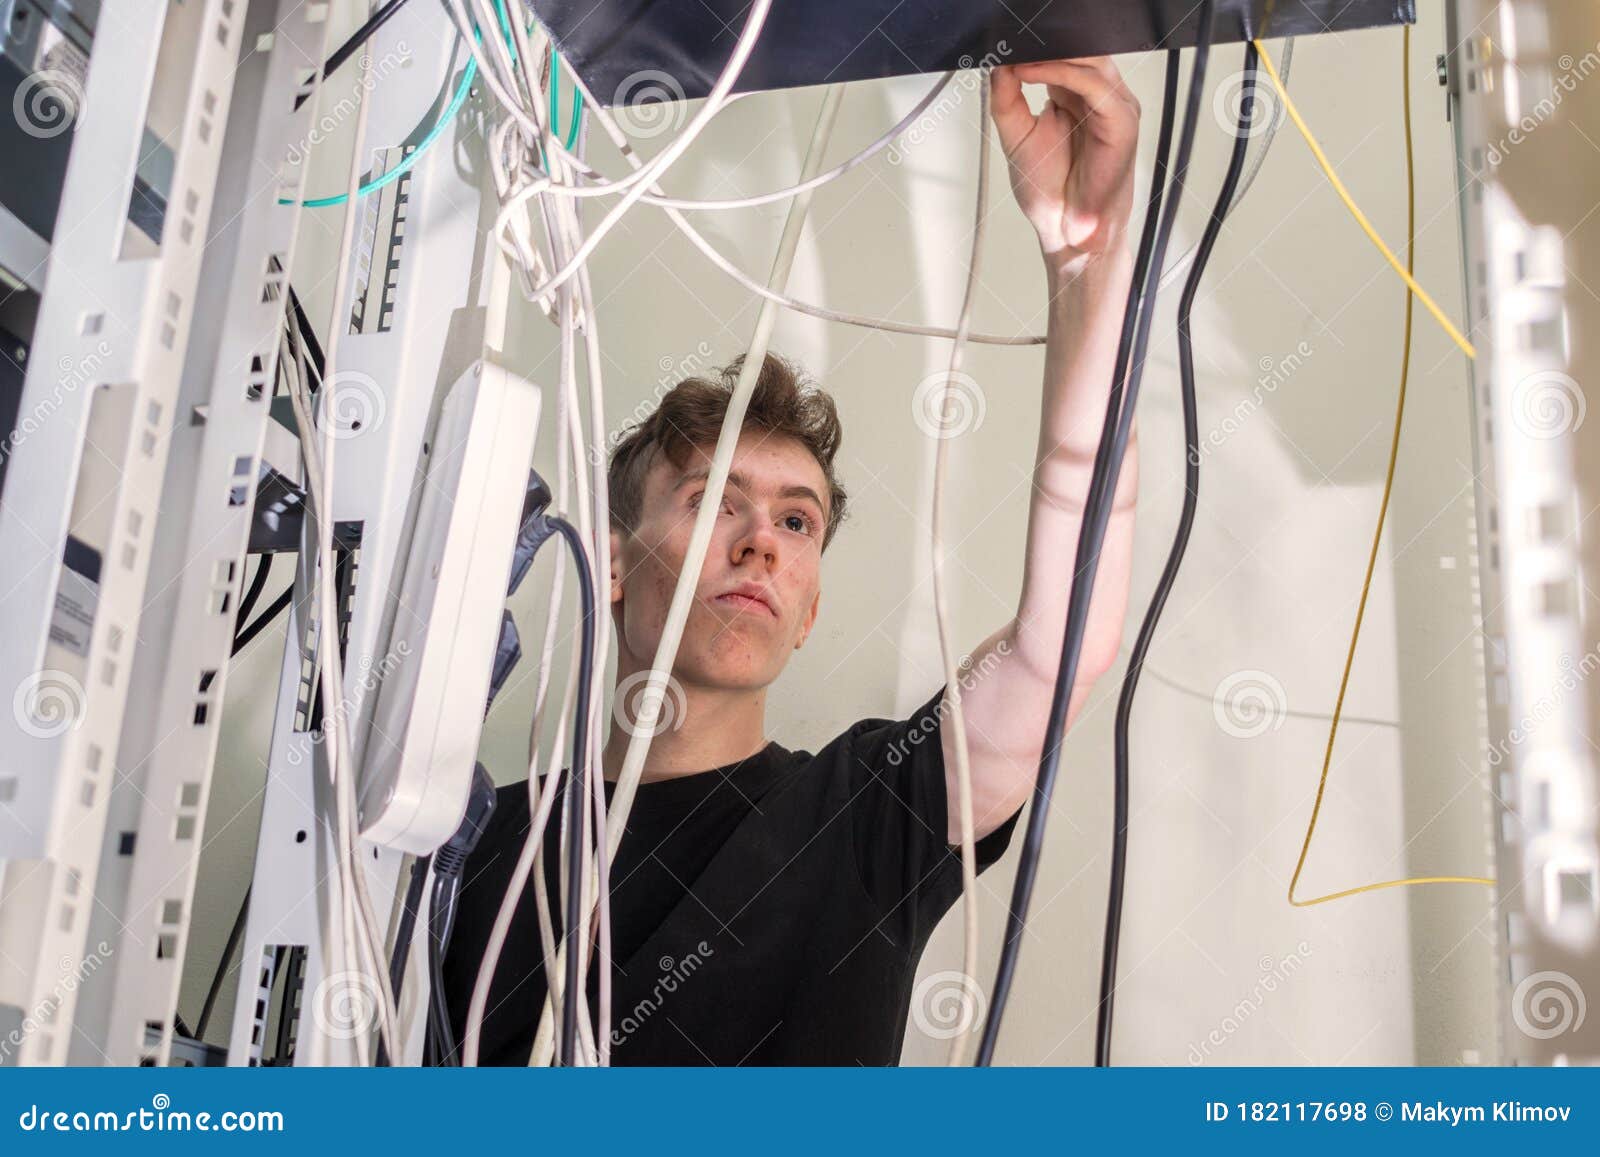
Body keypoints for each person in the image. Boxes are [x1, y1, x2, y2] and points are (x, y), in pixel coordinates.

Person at [441, 55, 1143, 1065]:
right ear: (609, 568)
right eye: (712, 501)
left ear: (807, 609)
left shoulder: (868, 815)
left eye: (797, 522)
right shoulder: (476, 850)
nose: (761, 539)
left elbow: (1059, 648)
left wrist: (1089, 266)